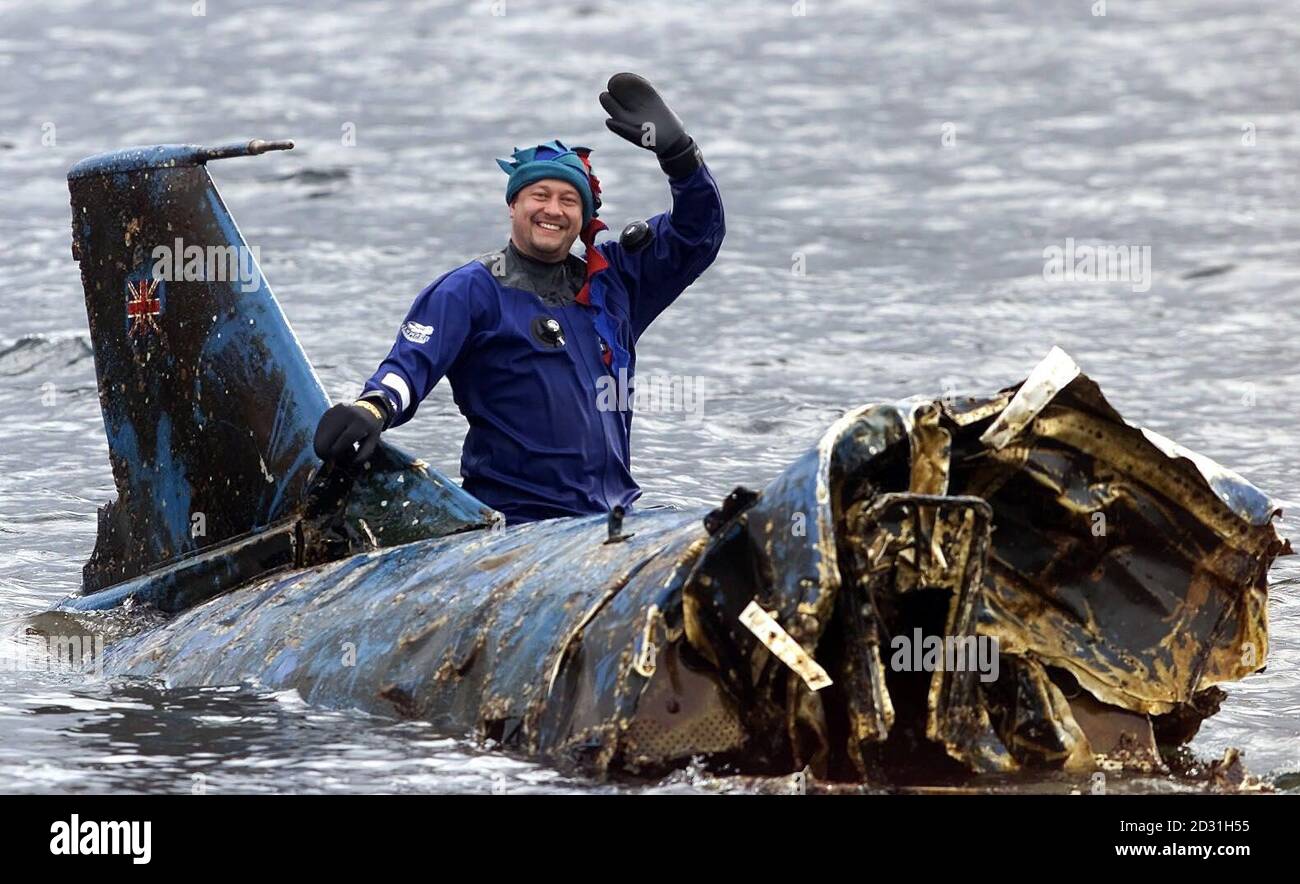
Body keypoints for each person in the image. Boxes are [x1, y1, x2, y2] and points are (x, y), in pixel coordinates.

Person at [314, 73, 725, 524]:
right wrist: (373, 408)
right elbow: (411, 364)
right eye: (539, 195)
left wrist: (680, 157)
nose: (553, 209)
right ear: (513, 205)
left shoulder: (614, 284)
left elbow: (696, 235)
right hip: (517, 526)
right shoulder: (469, 290)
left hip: (613, 521)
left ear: (583, 216)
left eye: (569, 199)